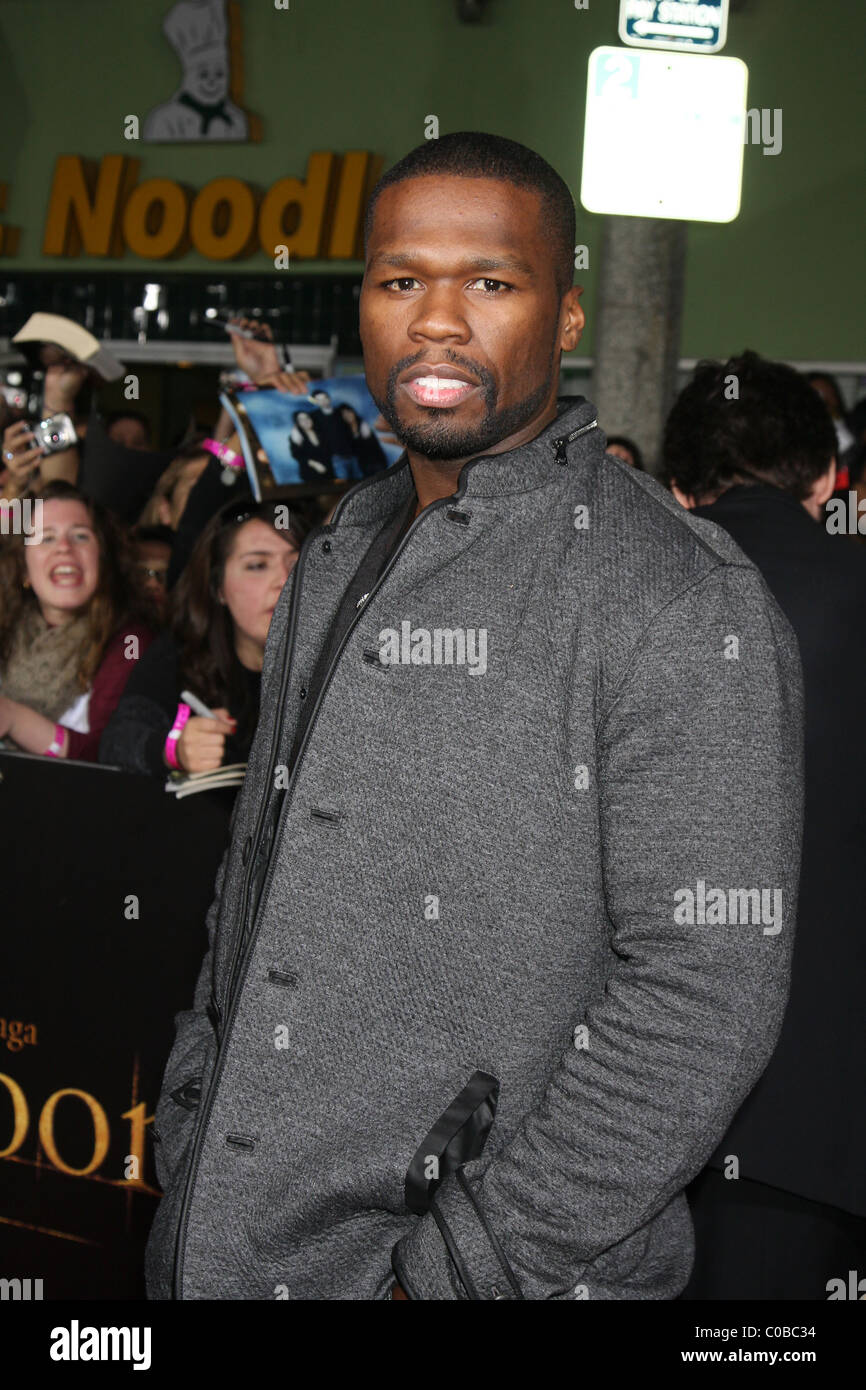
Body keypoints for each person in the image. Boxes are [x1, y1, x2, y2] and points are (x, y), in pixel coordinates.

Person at [145, 132, 803, 1302]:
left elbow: (704, 996)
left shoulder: (676, 596)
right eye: (400, 280)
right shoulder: (340, 543)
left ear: (562, 315)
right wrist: (195, 1098)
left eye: (489, 282)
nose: (436, 321)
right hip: (226, 1245)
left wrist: (458, 1271)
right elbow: (259, 869)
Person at [662, 350, 866, 1299]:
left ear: (676, 487)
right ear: (828, 479)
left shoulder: (614, 604)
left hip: (611, 1115)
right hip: (821, 1116)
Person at [100, 498, 308, 778]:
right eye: (257, 565)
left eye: (297, 564)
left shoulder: (340, 662)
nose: (284, 581)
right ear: (218, 587)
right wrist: (175, 748)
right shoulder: (183, 651)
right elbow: (117, 742)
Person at [0, 480, 153, 761]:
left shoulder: (131, 642)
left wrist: (13, 719)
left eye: (81, 536)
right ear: (23, 568)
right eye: (46, 538)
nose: (65, 549)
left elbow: (111, 752)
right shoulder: (8, 630)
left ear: (104, 559)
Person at [338, 403, 388, 479]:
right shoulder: (346, 431)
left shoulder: (363, 424)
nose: (347, 415)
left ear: (352, 412)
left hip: (375, 462)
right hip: (363, 466)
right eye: (344, 414)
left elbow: (369, 446)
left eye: (348, 412)